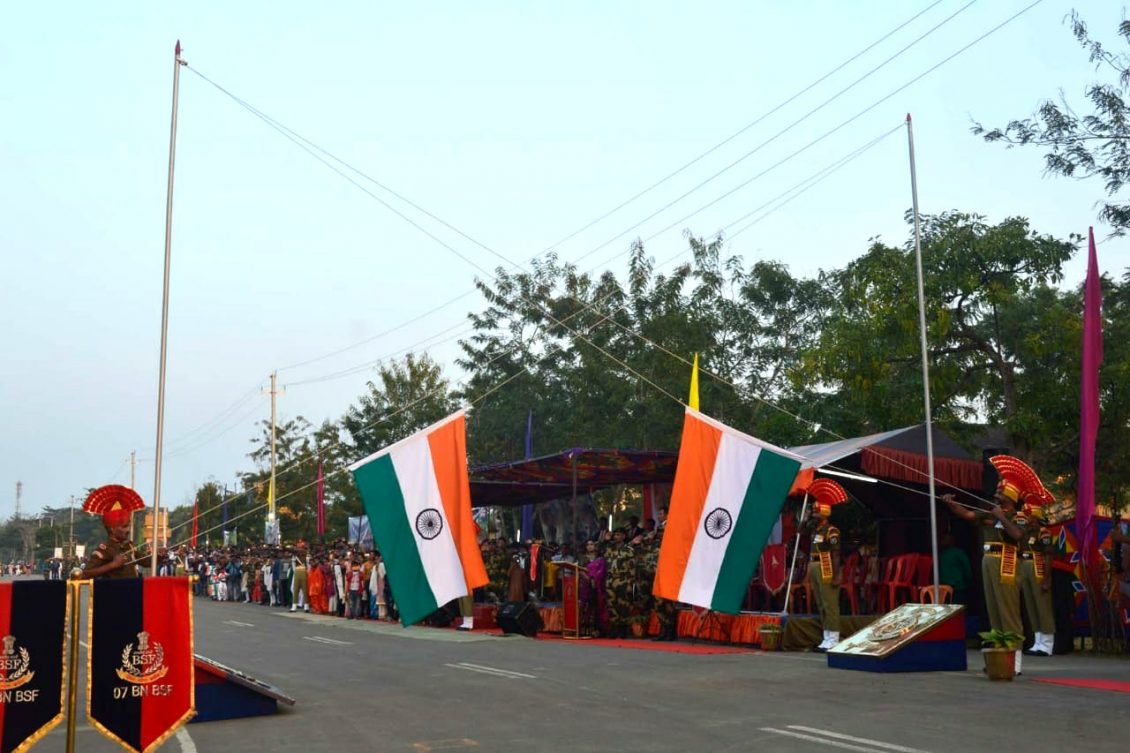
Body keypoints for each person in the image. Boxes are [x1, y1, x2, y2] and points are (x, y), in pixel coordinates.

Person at [944, 454, 1037, 676]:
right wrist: (951, 504)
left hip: (1006, 562)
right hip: (989, 561)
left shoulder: (1019, 516)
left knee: (1008, 611)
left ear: (1009, 497)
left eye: (999, 492)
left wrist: (1001, 518)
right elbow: (967, 515)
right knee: (994, 610)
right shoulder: (991, 511)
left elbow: (1016, 535)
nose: (995, 495)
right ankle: (998, 657)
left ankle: (1015, 662)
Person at [803, 479, 848, 652]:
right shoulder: (815, 530)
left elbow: (836, 554)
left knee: (830, 603)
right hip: (814, 565)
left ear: (823, 514)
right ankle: (826, 636)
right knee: (821, 603)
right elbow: (800, 531)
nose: (813, 516)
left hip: (826, 565)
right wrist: (805, 518)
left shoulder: (832, 531)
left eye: (815, 514)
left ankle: (834, 637)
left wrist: (837, 575)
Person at [79, 485, 148, 580]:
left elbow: (146, 561)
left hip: (132, 592)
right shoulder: (104, 549)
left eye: (128, 526)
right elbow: (86, 574)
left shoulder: (129, 546)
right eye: (124, 527)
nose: (128, 530)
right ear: (112, 529)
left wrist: (160, 555)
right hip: (113, 593)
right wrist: (112, 565)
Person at [1017, 498, 1056, 657]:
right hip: (1024, 565)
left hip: (1037, 566)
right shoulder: (1024, 533)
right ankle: (1037, 641)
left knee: (1042, 604)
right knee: (1031, 604)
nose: (1024, 517)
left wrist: (1047, 578)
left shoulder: (1043, 532)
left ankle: (1047, 643)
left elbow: (1048, 555)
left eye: (1028, 514)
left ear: (1035, 515)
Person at [938, 531, 973, 605]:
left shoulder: (959, 553)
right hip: (944, 587)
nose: (943, 541)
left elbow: (967, 569)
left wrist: (969, 582)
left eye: (945, 539)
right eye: (943, 539)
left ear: (952, 540)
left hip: (958, 587)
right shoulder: (941, 554)